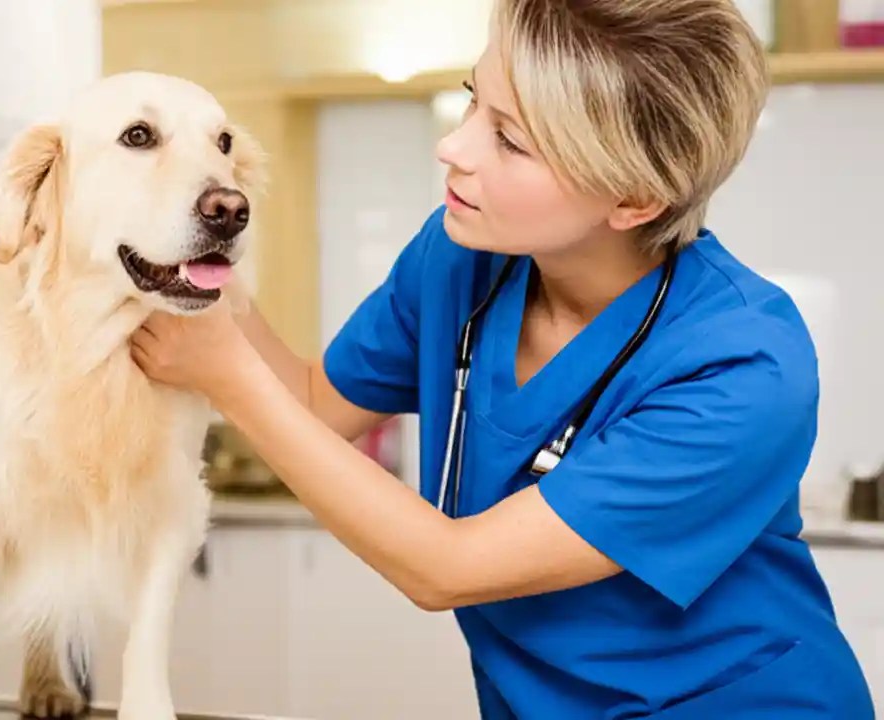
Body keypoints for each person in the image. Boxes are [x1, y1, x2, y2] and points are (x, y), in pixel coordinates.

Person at [129, 0, 874, 717]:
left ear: (635, 198)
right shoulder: (461, 253)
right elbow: (320, 405)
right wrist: (193, 262)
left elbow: (446, 569)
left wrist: (223, 371)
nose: (453, 145)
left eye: (510, 139)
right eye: (472, 101)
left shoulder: (743, 366)